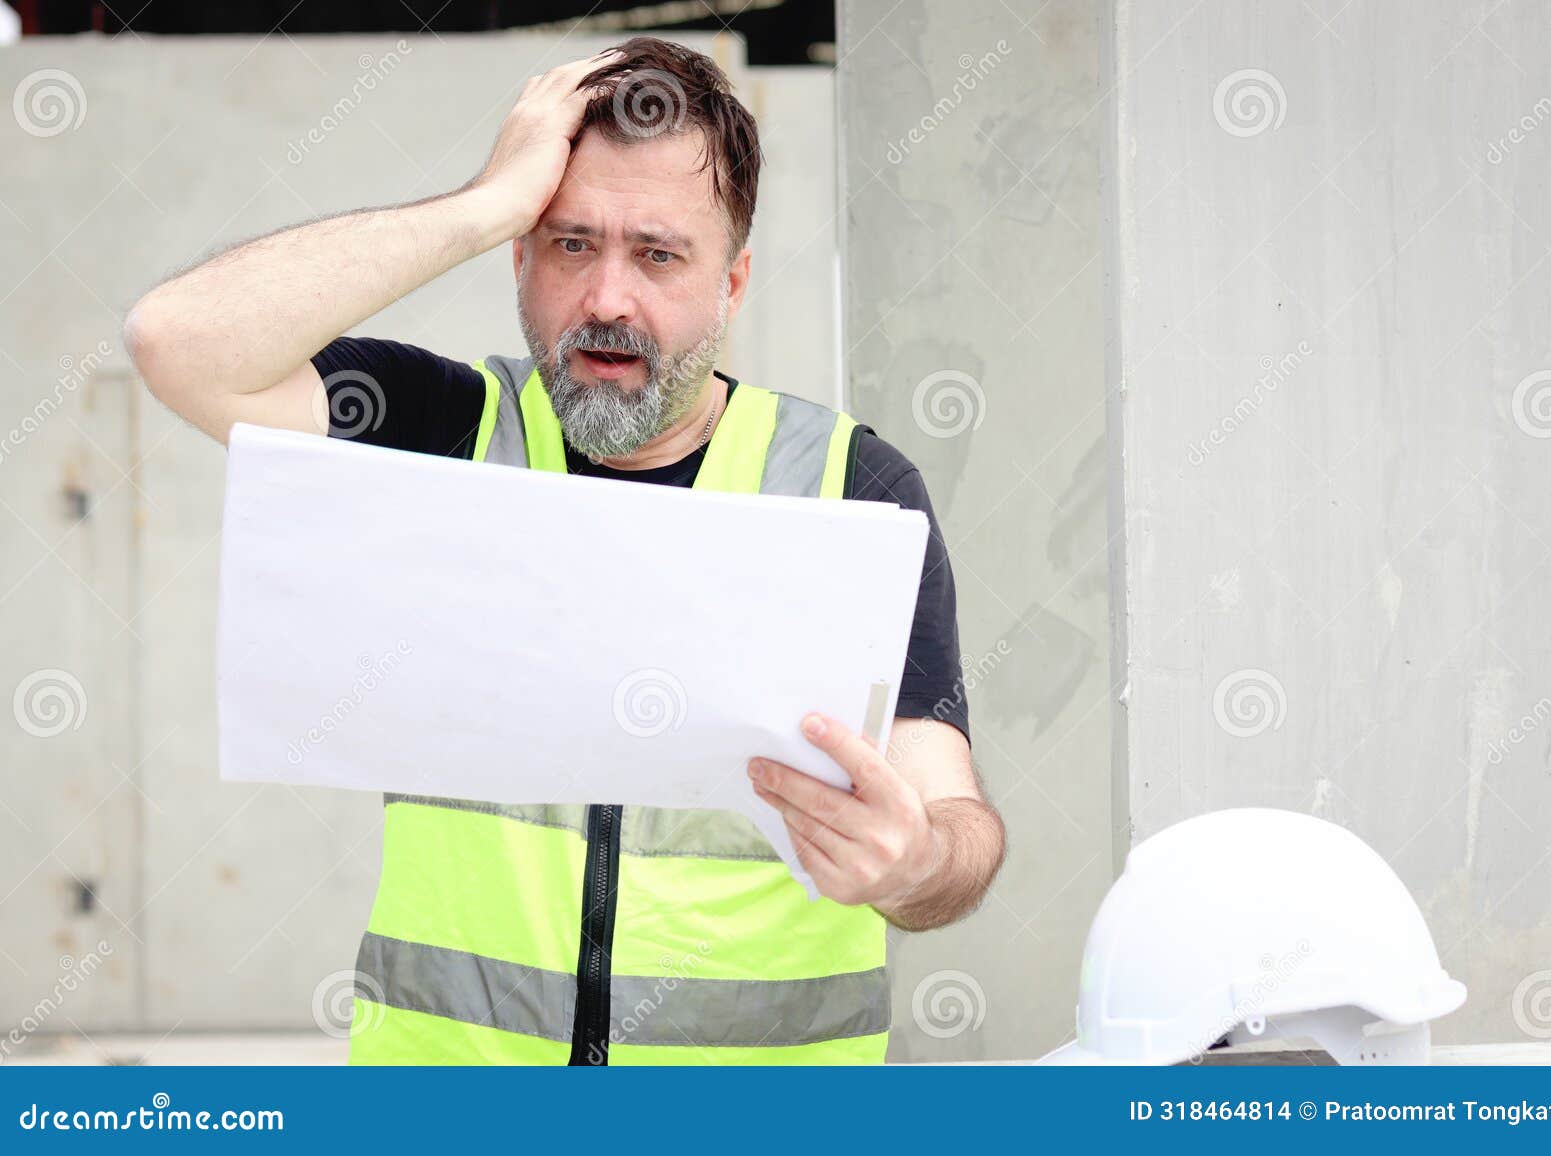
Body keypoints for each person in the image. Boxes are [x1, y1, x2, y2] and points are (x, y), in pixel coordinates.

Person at [124, 36, 1005, 1065]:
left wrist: (910, 866)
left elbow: (957, 827)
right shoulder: (444, 435)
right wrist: (482, 204)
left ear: (733, 282)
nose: (607, 301)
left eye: (660, 255)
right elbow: (176, 341)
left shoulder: (852, 489)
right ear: (520, 257)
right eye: (568, 244)